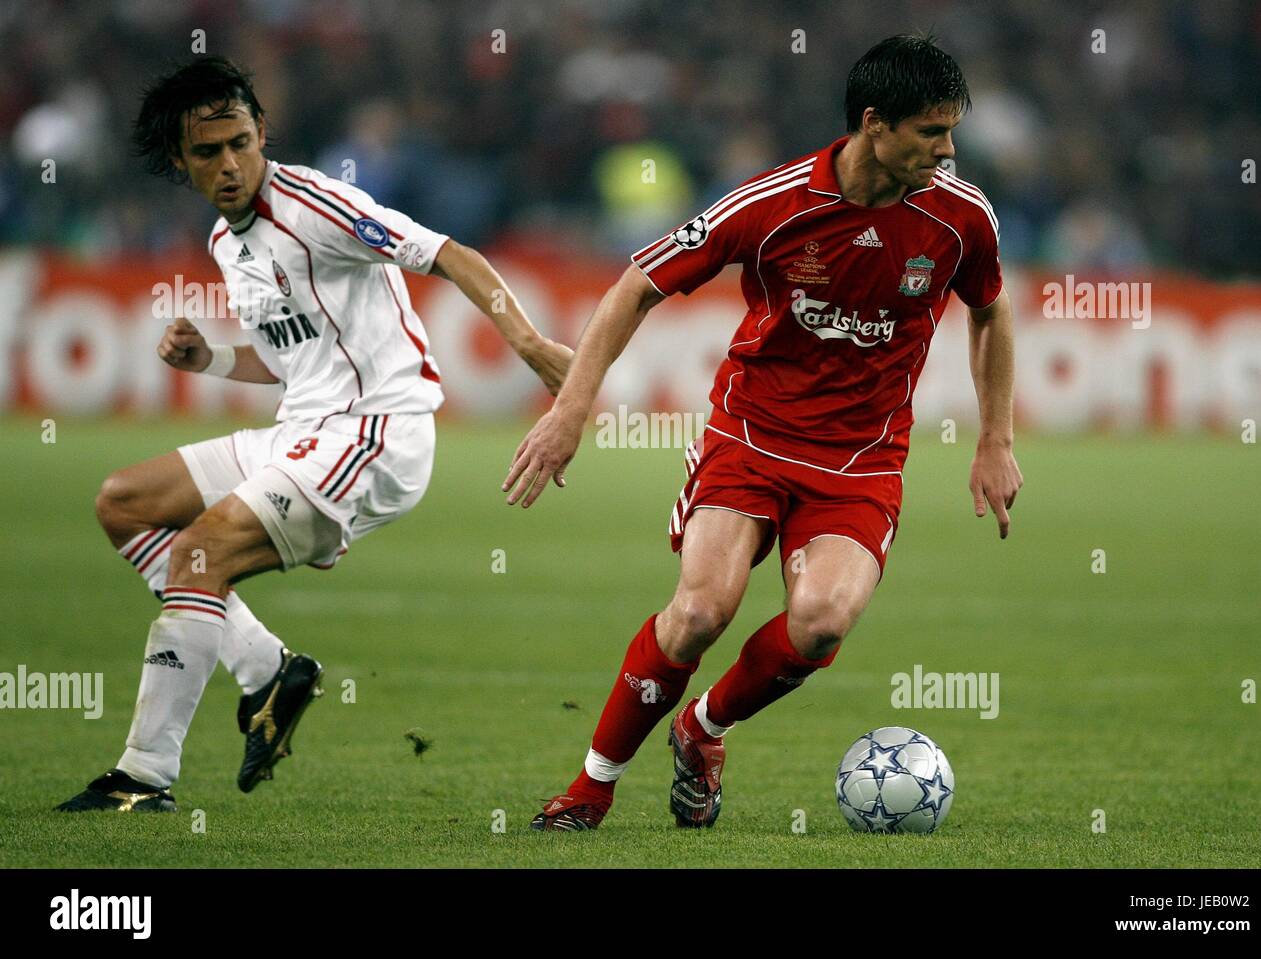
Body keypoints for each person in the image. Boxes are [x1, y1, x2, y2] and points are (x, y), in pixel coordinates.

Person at [505, 35, 1023, 831]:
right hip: (750, 436)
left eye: (952, 131)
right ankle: (590, 787)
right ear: (875, 125)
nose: (948, 149)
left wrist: (997, 439)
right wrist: (571, 410)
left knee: (819, 625)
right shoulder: (774, 202)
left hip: (860, 460)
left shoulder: (960, 216)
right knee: (700, 612)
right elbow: (633, 286)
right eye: (931, 131)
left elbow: (990, 310)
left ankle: (702, 729)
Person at [57, 56, 571, 812]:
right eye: (208, 153)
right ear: (180, 161)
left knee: (200, 553)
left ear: (262, 131)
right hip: (304, 427)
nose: (229, 165)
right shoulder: (226, 245)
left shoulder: (317, 206)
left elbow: (451, 254)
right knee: (124, 502)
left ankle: (143, 774)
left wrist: (529, 346)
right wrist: (212, 359)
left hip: (373, 435)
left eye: (239, 142)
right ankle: (268, 668)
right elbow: (293, 360)